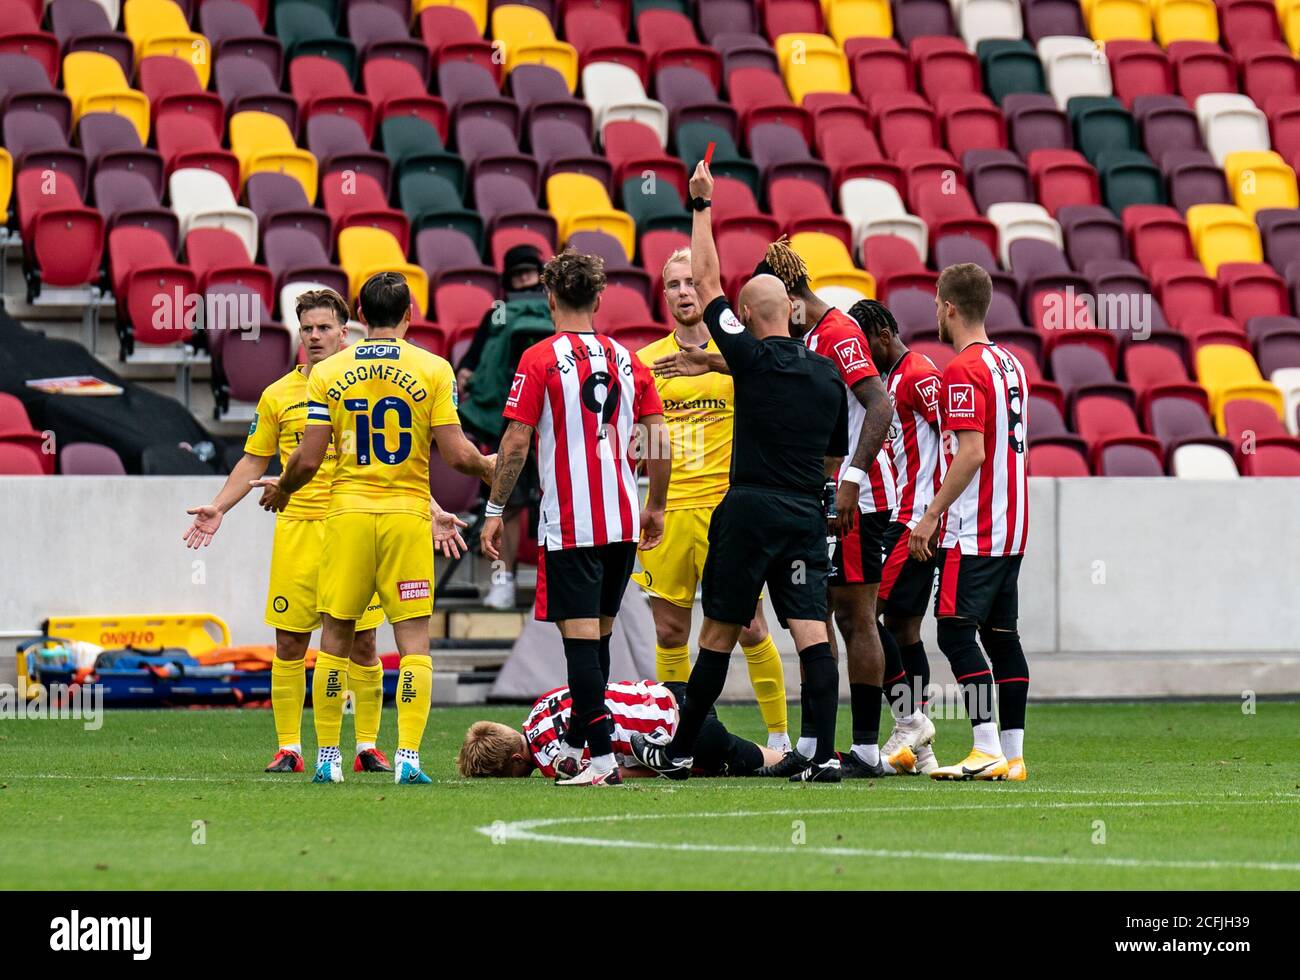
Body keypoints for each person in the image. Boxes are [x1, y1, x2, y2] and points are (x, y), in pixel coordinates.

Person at [629, 159, 850, 783]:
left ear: (748, 321)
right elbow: (835, 454)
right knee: (810, 631)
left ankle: (677, 749)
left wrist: (702, 205)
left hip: (747, 507)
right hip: (806, 510)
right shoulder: (827, 376)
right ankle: (820, 754)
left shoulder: (747, 360)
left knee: (721, 633)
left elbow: (708, 279)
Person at [256, 272, 495, 785]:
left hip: (346, 518)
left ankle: (327, 759)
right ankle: (407, 756)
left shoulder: (328, 372)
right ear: (410, 316)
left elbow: (308, 457)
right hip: (406, 518)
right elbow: (456, 454)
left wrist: (284, 489)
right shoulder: (433, 368)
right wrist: (490, 466)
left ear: (359, 318)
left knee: (335, 639)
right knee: (413, 643)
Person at [183, 288, 399, 775]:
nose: (316, 336)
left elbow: (395, 460)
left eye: (325, 327)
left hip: (354, 526)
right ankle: (289, 749)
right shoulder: (278, 394)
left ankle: (366, 746)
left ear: (346, 331)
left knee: (363, 643)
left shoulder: (367, 386)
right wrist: (219, 507)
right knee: (289, 642)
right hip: (298, 529)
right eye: (308, 328)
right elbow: (253, 459)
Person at [480, 249, 671, 787]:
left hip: (572, 522)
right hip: (622, 520)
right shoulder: (630, 360)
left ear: (550, 297)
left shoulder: (540, 359)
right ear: (600, 297)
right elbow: (658, 438)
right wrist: (654, 504)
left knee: (582, 645)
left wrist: (495, 510)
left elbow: (516, 441)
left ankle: (603, 762)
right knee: (601, 640)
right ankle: (589, 748)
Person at [633, 247, 789, 752]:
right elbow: (642, 438)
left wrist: (710, 364)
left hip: (729, 510)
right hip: (670, 510)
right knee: (672, 631)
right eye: (674, 285)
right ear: (664, 295)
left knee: (749, 627)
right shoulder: (647, 362)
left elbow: (771, 387)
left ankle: (781, 739)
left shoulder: (739, 356)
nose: (684, 292)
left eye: (691, 283)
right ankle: (682, 734)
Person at [750, 239, 895, 779]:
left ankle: (865, 750)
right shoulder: (806, 334)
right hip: (819, 501)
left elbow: (879, 405)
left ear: (790, 296)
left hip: (855, 503)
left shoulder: (837, 333)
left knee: (856, 617)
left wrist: (851, 481)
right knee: (814, 620)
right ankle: (816, 745)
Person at [909, 263, 1031, 782]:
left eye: (938, 302)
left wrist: (931, 516)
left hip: (977, 527)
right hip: (1014, 525)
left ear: (950, 308)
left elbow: (973, 452)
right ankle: (1013, 754)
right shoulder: (1013, 363)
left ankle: (984, 746)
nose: (935, 311)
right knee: (1003, 637)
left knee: (955, 631)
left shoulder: (963, 369)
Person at [854, 298, 941, 775]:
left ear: (884, 337)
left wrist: (935, 515)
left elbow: (956, 438)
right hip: (902, 514)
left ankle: (910, 723)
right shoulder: (887, 381)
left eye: (867, 347)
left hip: (913, 520)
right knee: (904, 628)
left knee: (866, 615)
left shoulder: (919, 373)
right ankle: (920, 747)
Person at [457, 244, 551, 610]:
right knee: (505, 507)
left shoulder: (502, 311)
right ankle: (504, 581)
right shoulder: (505, 312)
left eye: (529, 274)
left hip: (529, 423)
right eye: (520, 275)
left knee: (511, 507)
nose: (525, 281)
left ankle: (515, 583)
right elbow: (472, 364)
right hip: (519, 424)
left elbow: (469, 365)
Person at [455, 679, 784, 779]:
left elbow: (612, 772)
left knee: (769, 763)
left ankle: (820, 759)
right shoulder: (541, 704)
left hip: (687, 736)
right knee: (754, 759)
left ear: (515, 759)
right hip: (674, 692)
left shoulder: (555, 761)